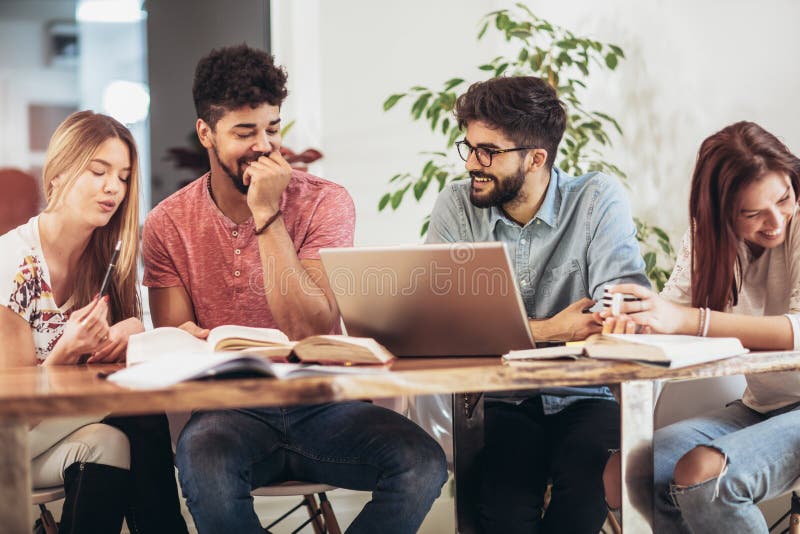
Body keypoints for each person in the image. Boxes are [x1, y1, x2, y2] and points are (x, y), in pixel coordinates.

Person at [141, 44, 447, 534]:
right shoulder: (166, 224)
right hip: (228, 412)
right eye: (245, 132)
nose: (264, 146)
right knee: (204, 467)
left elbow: (310, 326)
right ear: (206, 133)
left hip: (325, 404)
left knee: (422, 463)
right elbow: (174, 348)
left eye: (273, 128)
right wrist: (187, 340)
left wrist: (267, 215)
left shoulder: (326, 203)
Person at [425, 75, 649, 534]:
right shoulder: (456, 207)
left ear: (536, 158)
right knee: (502, 512)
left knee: (585, 497)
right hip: (501, 399)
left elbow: (618, 308)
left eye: (488, 151)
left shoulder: (595, 199)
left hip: (588, 394)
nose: (472, 163)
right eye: (468, 147)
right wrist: (549, 331)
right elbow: (442, 321)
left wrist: (499, 329)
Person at [601, 121, 800, 533]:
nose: (776, 221)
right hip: (761, 408)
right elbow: (669, 314)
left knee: (705, 475)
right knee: (625, 475)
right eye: (752, 213)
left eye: (784, 199)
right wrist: (632, 319)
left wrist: (692, 320)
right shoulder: (707, 237)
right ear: (722, 213)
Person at [0, 111, 187, 533]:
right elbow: (15, 408)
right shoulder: (13, 262)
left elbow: (116, 360)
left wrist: (132, 333)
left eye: (122, 177)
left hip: (60, 431)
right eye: (98, 171)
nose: (113, 188)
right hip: (9, 436)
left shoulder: (106, 261)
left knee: (110, 444)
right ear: (60, 174)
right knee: (134, 407)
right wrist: (67, 349)